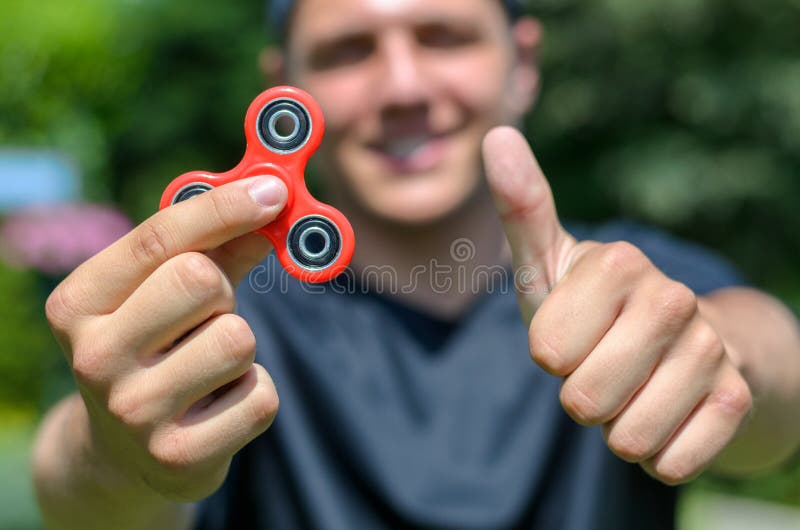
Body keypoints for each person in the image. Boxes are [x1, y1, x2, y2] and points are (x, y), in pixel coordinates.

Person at [32, 0, 800, 529]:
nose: (402, 87)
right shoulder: (225, 311)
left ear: (521, 64)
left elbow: (774, 374)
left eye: (443, 36)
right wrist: (115, 451)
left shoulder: (630, 282)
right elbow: (77, 489)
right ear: (282, 87)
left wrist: (715, 352)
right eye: (347, 50)